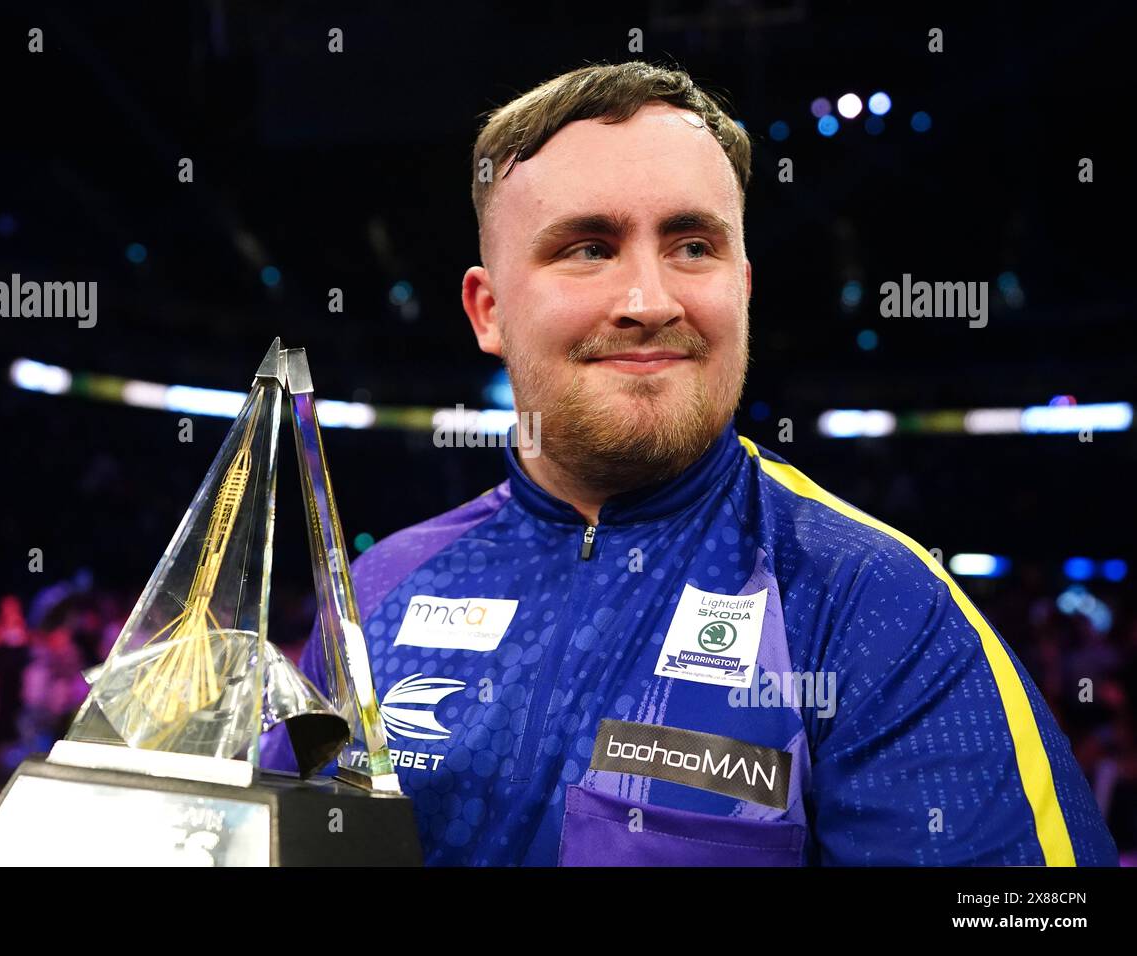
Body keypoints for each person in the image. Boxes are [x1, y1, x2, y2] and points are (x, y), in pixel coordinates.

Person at [269, 61, 1117, 866]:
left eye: (693, 246)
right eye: (589, 248)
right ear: (488, 310)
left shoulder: (881, 608)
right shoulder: (378, 592)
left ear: (742, 285)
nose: (649, 302)